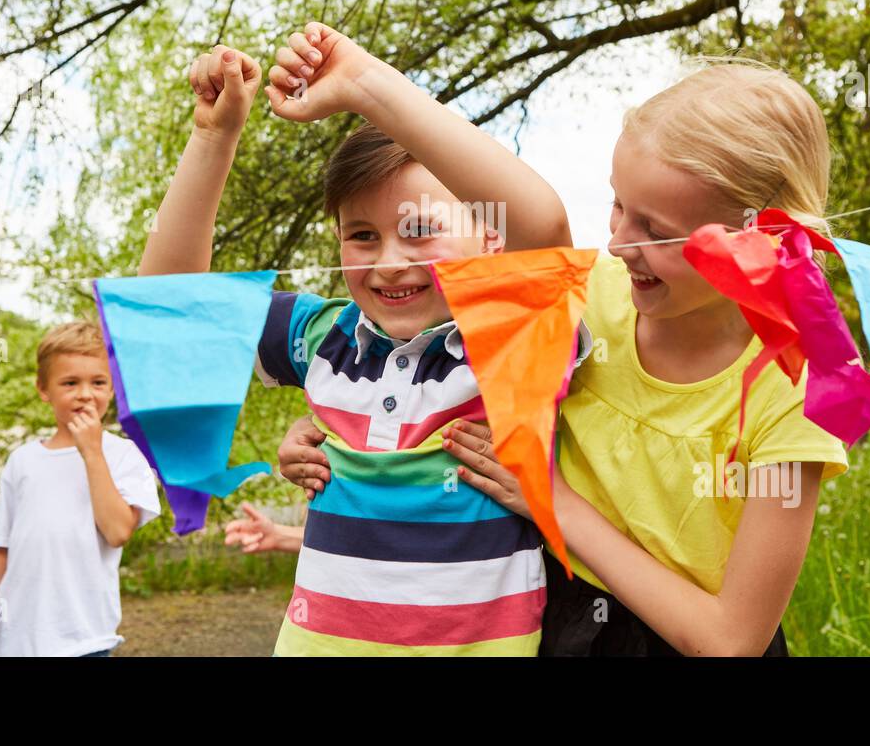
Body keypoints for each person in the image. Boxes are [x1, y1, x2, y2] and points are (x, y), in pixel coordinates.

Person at [277, 43, 850, 656]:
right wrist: (330, 431)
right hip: (558, 624)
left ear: (754, 239)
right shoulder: (595, 299)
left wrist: (553, 501)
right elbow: (446, 364)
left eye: (655, 230)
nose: (619, 243)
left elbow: (731, 641)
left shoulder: (799, 384)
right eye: (619, 205)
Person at [139, 35, 588, 655]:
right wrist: (214, 138)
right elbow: (170, 310)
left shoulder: (510, 334)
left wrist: (366, 85)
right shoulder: (324, 337)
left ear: (490, 237)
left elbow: (544, 226)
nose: (389, 263)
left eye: (420, 231)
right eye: (363, 235)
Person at [0, 320, 161, 656]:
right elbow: (1, 543)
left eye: (98, 382)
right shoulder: (22, 460)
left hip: (83, 638)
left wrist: (92, 452)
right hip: (15, 640)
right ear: (44, 389)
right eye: (70, 382)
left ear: (112, 389)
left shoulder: (125, 455)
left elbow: (117, 532)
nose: (85, 393)